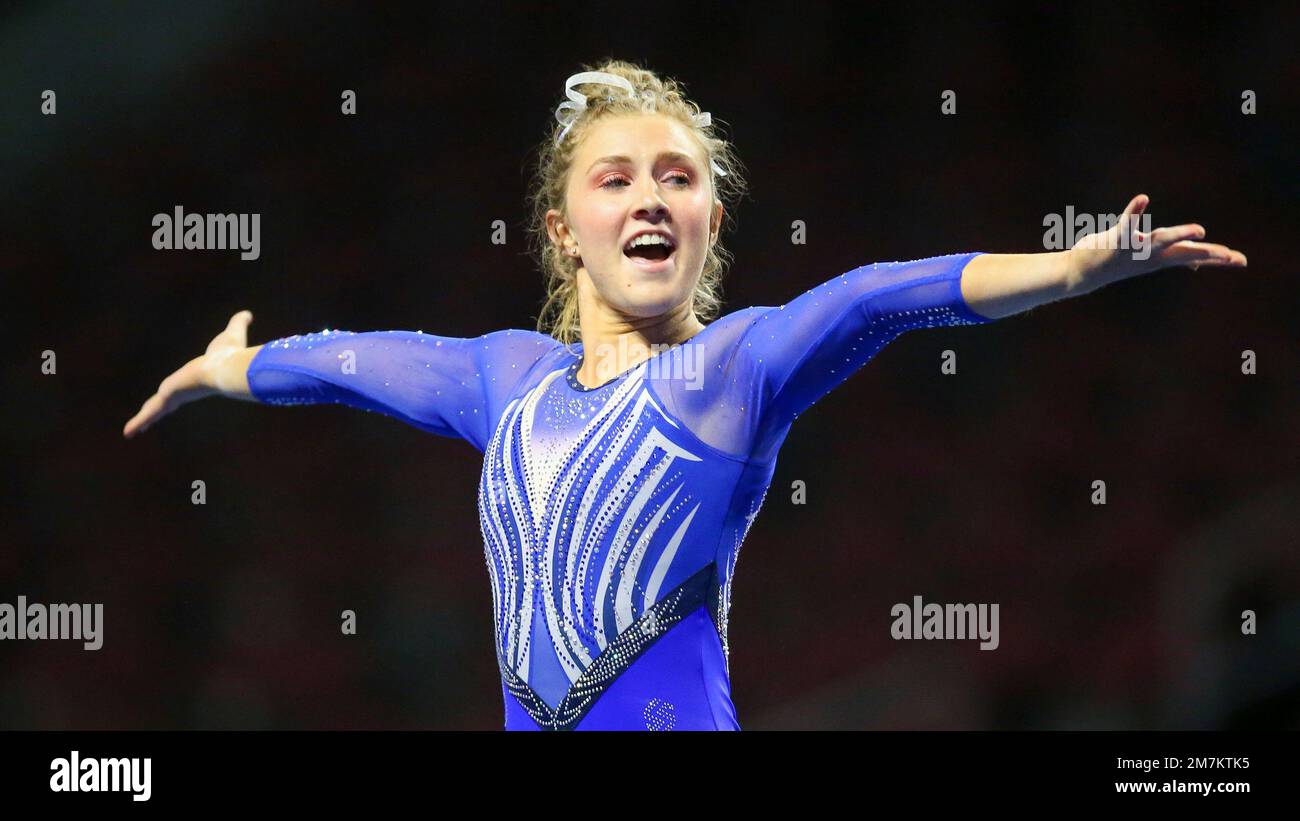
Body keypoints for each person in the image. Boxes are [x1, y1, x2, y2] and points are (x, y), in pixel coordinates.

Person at [123, 60, 1247, 730]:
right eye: (615, 180)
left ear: (712, 216)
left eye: (679, 179)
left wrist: (1067, 267)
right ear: (564, 232)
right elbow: (356, 362)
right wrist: (233, 365)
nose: (651, 198)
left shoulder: (731, 369)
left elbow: (872, 299)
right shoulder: (503, 377)